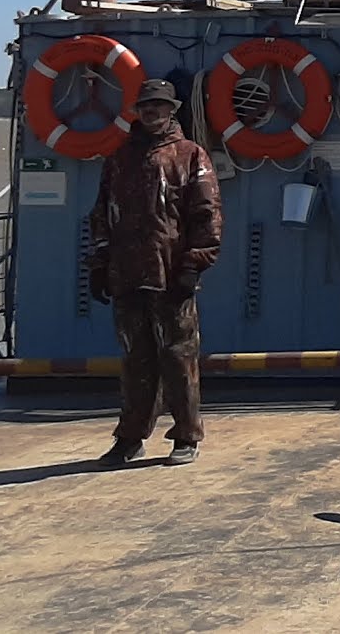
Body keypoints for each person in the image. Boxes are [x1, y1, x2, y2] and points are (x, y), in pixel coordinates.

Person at [86, 79, 221, 468]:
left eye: (159, 106)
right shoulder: (119, 159)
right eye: (146, 106)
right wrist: (100, 264)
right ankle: (130, 437)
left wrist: (194, 265)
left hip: (171, 274)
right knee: (135, 358)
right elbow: (101, 214)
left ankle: (187, 435)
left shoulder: (190, 156)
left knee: (179, 356)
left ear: (172, 110)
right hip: (127, 275)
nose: (151, 112)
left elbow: (207, 215)